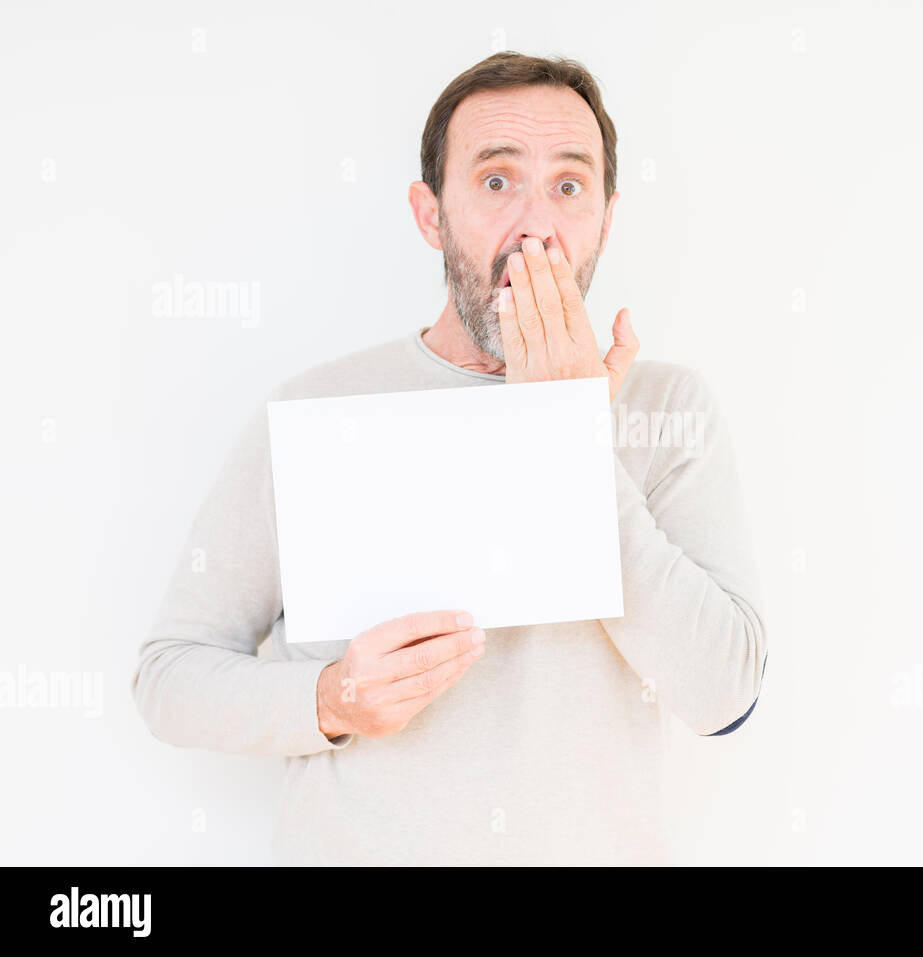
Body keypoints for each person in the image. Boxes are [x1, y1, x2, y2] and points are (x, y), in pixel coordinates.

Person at [132, 51, 768, 866]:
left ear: (606, 218)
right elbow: (169, 679)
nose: (537, 223)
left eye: (569, 187)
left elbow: (725, 694)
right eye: (497, 181)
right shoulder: (313, 409)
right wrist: (333, 698)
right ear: (430, 213)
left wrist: (566, 435)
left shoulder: (669, 412)